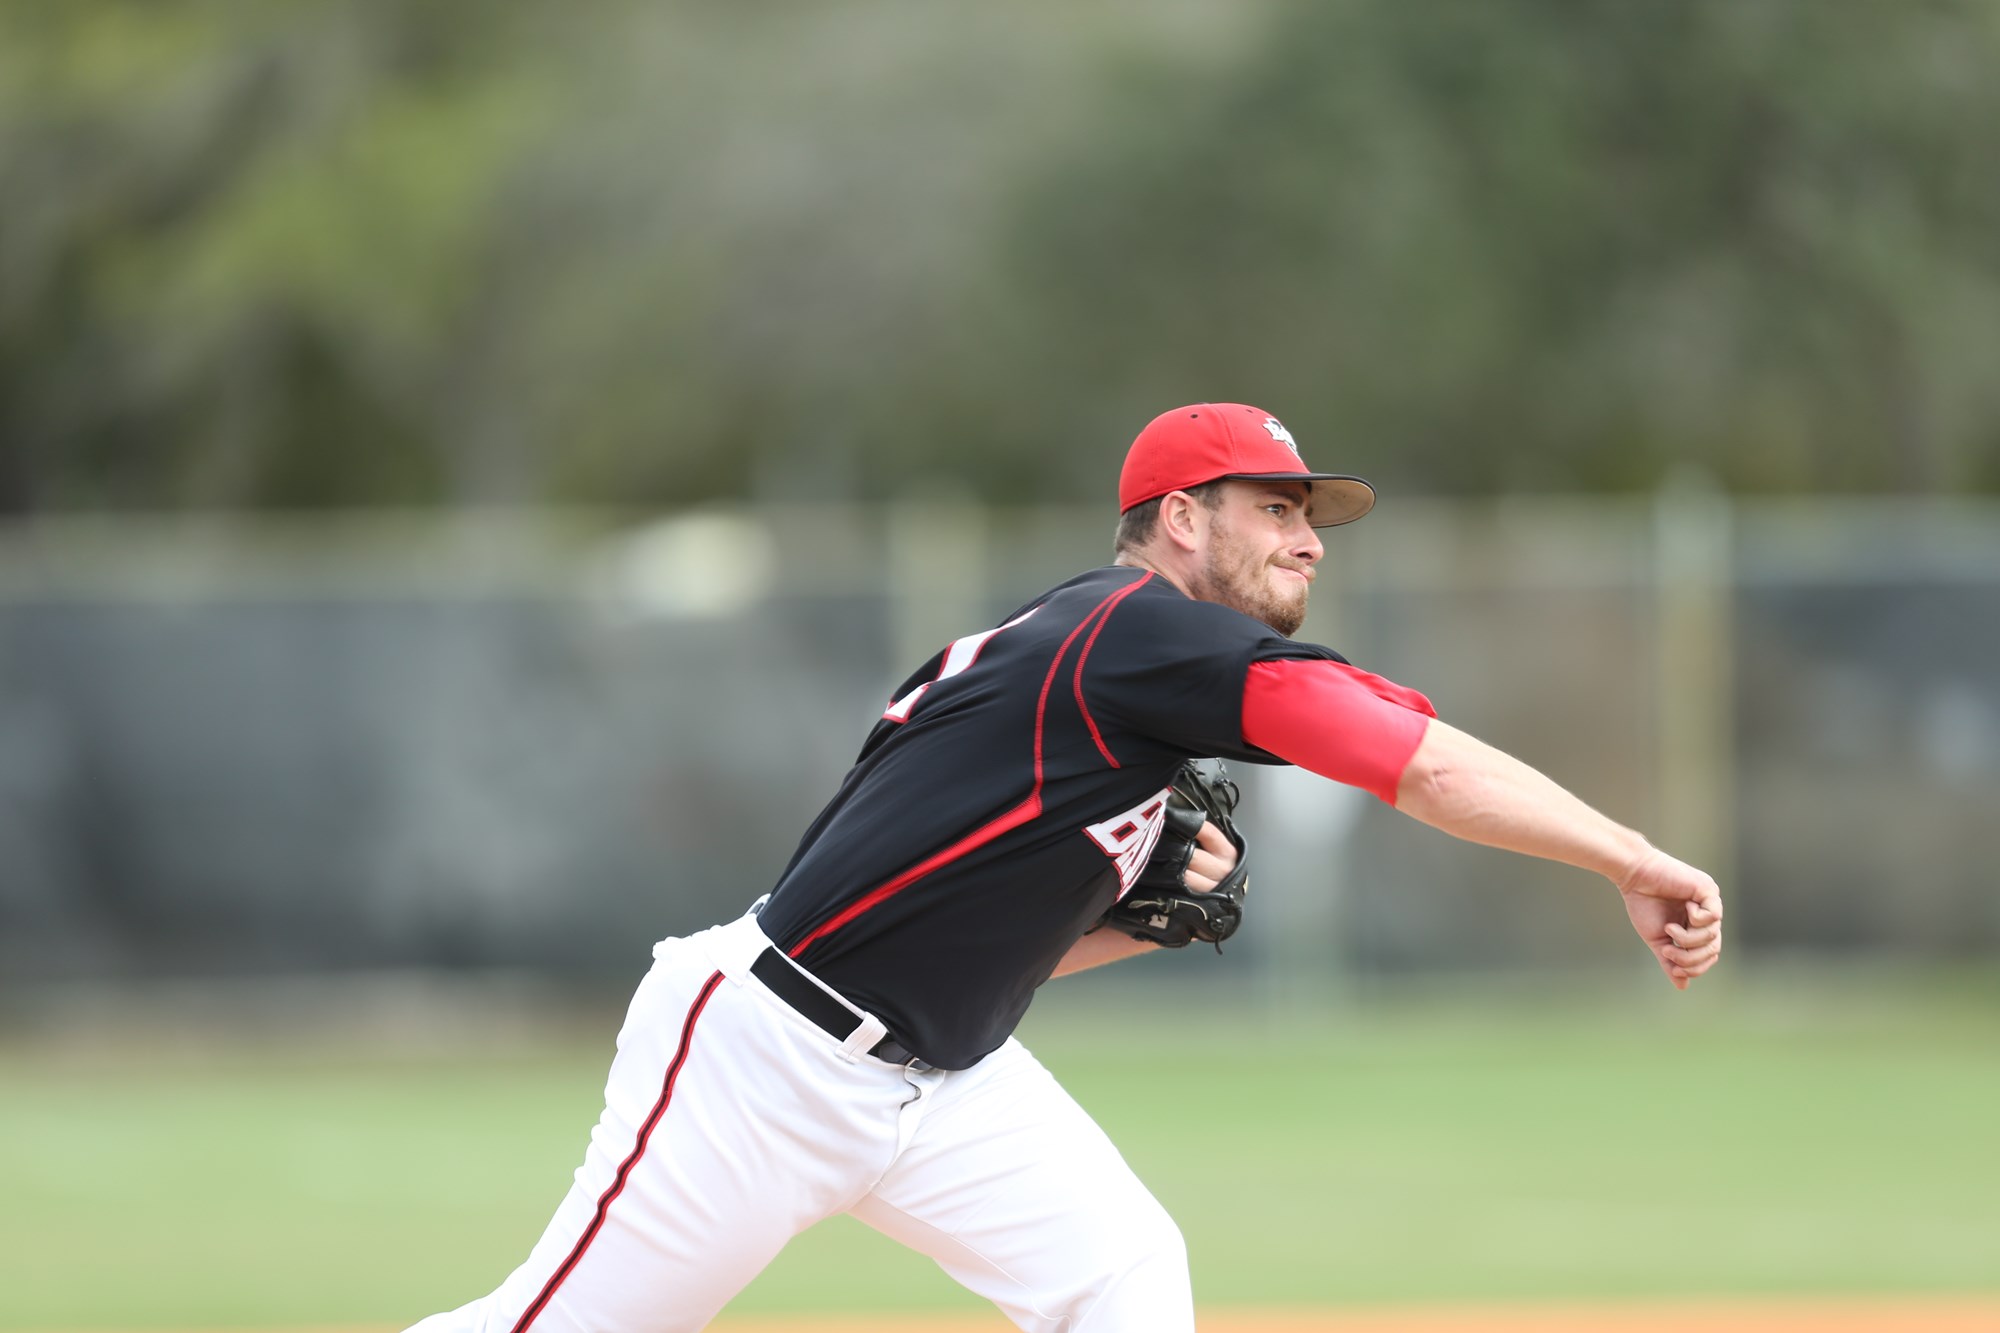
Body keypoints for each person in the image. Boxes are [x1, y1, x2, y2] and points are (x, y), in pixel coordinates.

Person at [406, 402, 1724, 1333]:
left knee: (1121, 1275)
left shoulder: (1098, 666)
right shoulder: (1136, 632)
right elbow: (1418, 764)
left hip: (942, 1077)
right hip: (767, 1059)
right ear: (1179, 519)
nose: (1310, 536)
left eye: (1311, 515)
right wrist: (1630, 854)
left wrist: (1139, 914)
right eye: (1275, 509)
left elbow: (962, 909)